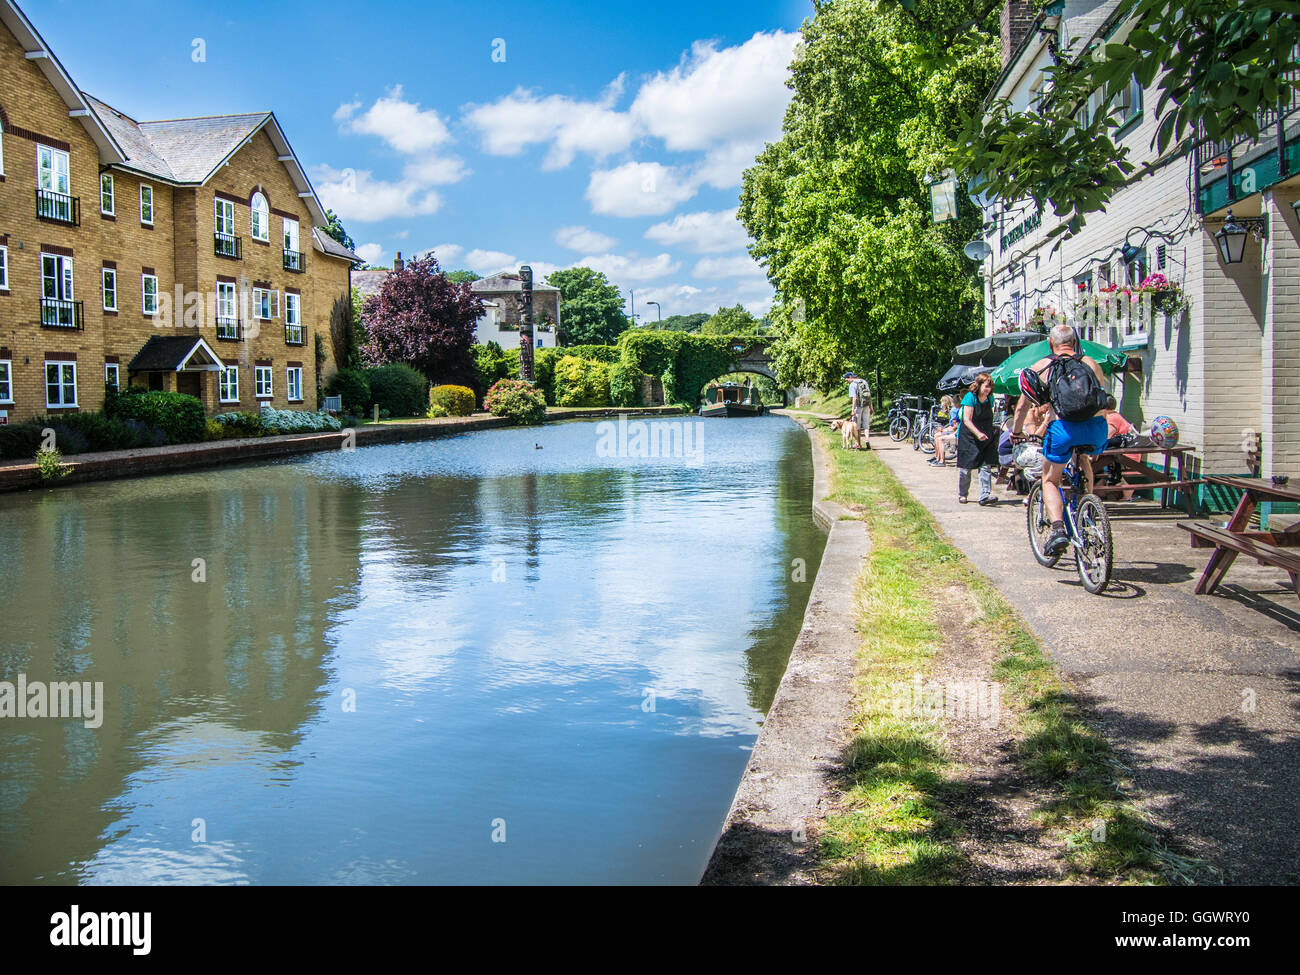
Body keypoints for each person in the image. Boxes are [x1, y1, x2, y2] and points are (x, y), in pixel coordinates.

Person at [1012, 323, 1109, 555]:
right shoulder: (1091, 364)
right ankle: (1088, 504)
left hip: (1064, 429)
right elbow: (1102, 399)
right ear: (1075, 342)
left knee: (1049, 479)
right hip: (1097, 429)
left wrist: (1016, 432)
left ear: (1050, 343)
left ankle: (1057, 530)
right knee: (1083, 456)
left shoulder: (1043, 366)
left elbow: (1023, 405)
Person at [957, 373, 999, 504]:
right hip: (969, 436)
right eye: (986, 386)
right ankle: (962, 494)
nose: (988, 389)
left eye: (990, 387)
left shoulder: (989, 399)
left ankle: (984, 495)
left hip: (985, 436)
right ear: (979, 385)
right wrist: (977, 433)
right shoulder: (970, 397)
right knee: (966, 468)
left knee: (985, 465)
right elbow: (966, 420)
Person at [929, 395, 959, 467]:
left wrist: (945, 430)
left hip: (955, 433)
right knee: (936, 435)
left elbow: (955, 426)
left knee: (939, 437)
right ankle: (937, 458)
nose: (941, 404)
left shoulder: (953, 411)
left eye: (942, 402)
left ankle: (941, 460)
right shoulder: (953, 410)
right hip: (953, 431)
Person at [845, 372, 872, 450]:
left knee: (857, 426)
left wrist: (852, 410)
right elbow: (869, 396)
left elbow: (854, 398)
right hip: (866, 405)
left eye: (847, 380)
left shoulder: (852, 385)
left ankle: (858, 444)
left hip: (858, 407)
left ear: (850, 377)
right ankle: (867, 440)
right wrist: (871, 407)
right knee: (866, 425)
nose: (847, 381)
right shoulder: (864, 382)